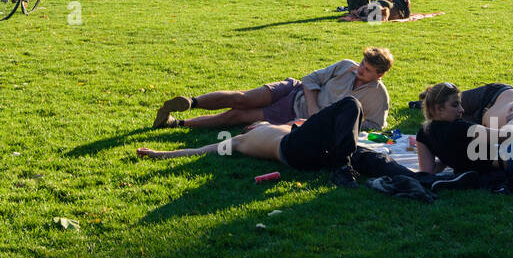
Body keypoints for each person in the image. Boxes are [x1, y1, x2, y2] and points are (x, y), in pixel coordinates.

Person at [138, 95, 369, 188]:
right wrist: (160, 154)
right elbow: (201, 150)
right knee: (350, 103)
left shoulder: (283, 126)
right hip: (292, 150)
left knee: (353, 124)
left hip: (312, 155)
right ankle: (342, 167)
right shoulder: (241, 140)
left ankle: (381, 172)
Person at [152, 48, 393, 131]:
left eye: (367, 69)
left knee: (235, 115)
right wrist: (313, 107)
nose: (360, 69)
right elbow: (309, 79)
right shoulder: (346, 66)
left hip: (291, 116)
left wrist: (338, 122)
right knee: (242, 98)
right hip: (294, 90)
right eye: (362, 64)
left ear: (379, 74)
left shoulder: (378, 96)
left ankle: (175, 123)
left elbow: (375, 126)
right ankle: (190, 102)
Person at [341, 0, 410, 21]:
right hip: (387, 4)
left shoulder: (384, 11)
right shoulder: (386, 5)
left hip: (394, 6)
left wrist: (359, 16)